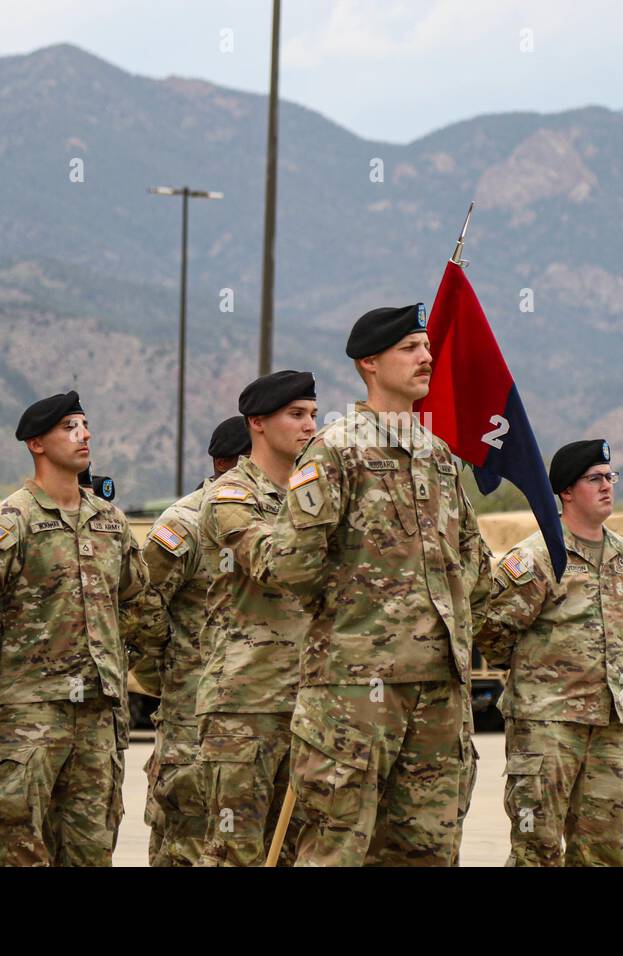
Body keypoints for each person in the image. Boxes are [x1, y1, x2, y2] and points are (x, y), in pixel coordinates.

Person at [262, 304, 493, 866]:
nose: (426, 357)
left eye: (427, 347)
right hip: (353, 690)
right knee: (338, 849)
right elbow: (292, 563)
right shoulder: (336, 451)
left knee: (428, 850)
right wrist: (352, 619)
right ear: (369, 362)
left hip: (438, 686)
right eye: (410, 348)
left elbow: (474, 566)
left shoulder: (438, 457)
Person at [0, 390, 147, 866]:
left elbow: (138, 603)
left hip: (98, 716)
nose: (84, 435)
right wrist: (5, 670)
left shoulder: (110, 522)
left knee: (91, 850)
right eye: (69, 427)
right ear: (36, 444)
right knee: (22, 851)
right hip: (29, 714)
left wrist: (115, 665)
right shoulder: (12, 521)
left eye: (84, 425)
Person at [474, 439, 623, 866]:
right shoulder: (538, 557)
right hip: (548, 726)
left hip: (608, 727)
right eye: (595, 479)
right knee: (537, 849)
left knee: (603, 851)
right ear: (566, 492)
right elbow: (493, 632)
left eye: (611, 477)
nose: (607, 486)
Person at [194, 372, 316, 866]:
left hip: (312, 701)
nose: (310, 426)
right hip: (244, 704)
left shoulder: (314, 493)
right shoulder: (231, 496)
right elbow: (275, 565)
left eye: (313, 414)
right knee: (235, 853)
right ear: (258, 424)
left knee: (300, 852)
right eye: (295, 415)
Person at [133, 415, 249, 867]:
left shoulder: (280, 518)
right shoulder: (183, 523)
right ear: (224, 462)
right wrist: (171, 678)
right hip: (192, 716)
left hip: (261, 711)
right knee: (184, 838)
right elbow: (143, 611)